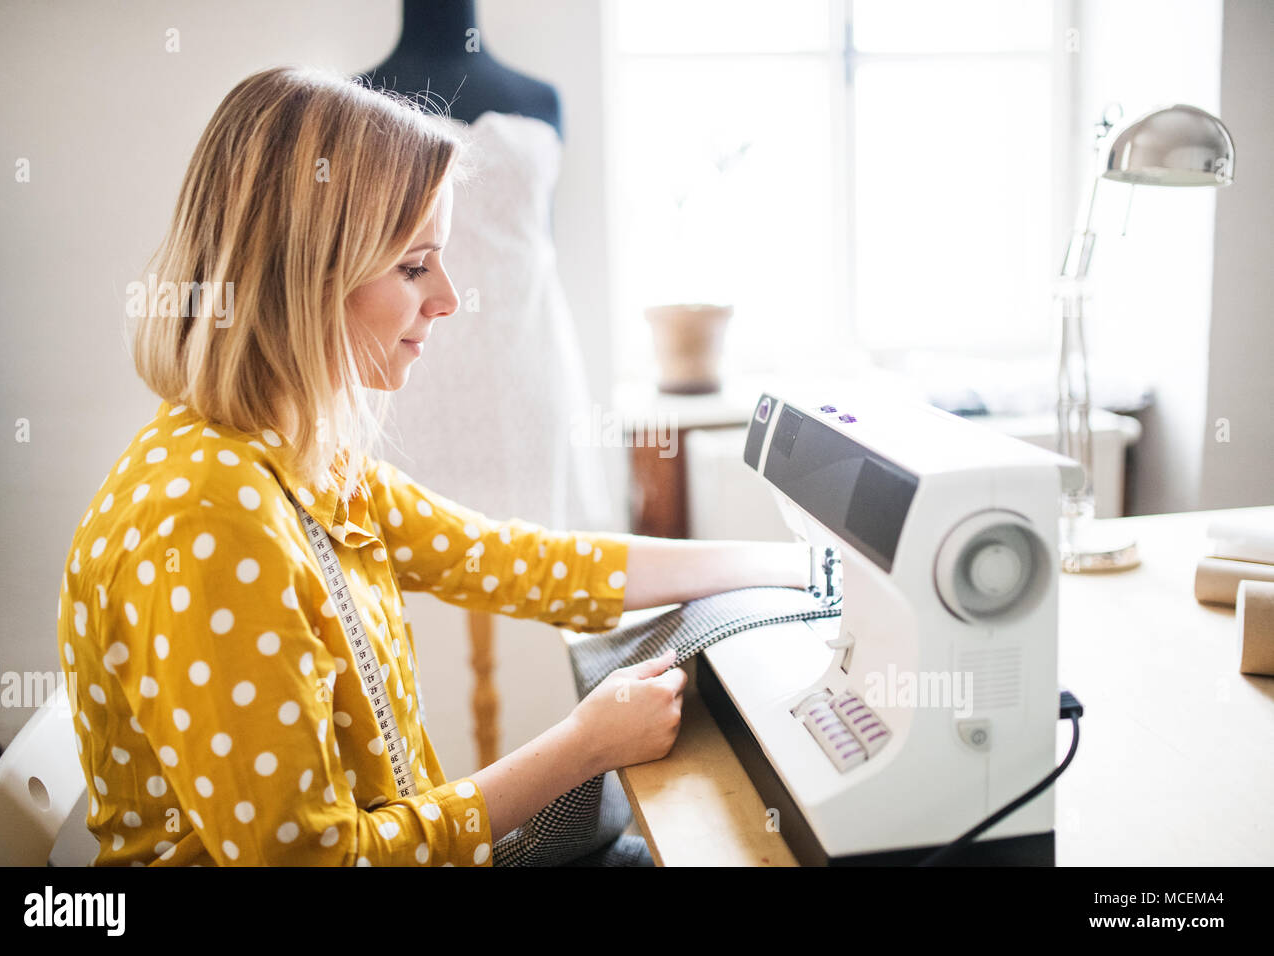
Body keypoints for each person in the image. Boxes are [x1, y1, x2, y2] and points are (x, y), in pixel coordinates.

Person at [57, 65, 809, 866]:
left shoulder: (295, 459)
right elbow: (317, 863)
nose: (448, 298)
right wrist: (584, 746)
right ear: (304, 275)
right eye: (414, 266)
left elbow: (515, 561)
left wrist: (785, 564)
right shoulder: (210, 516)